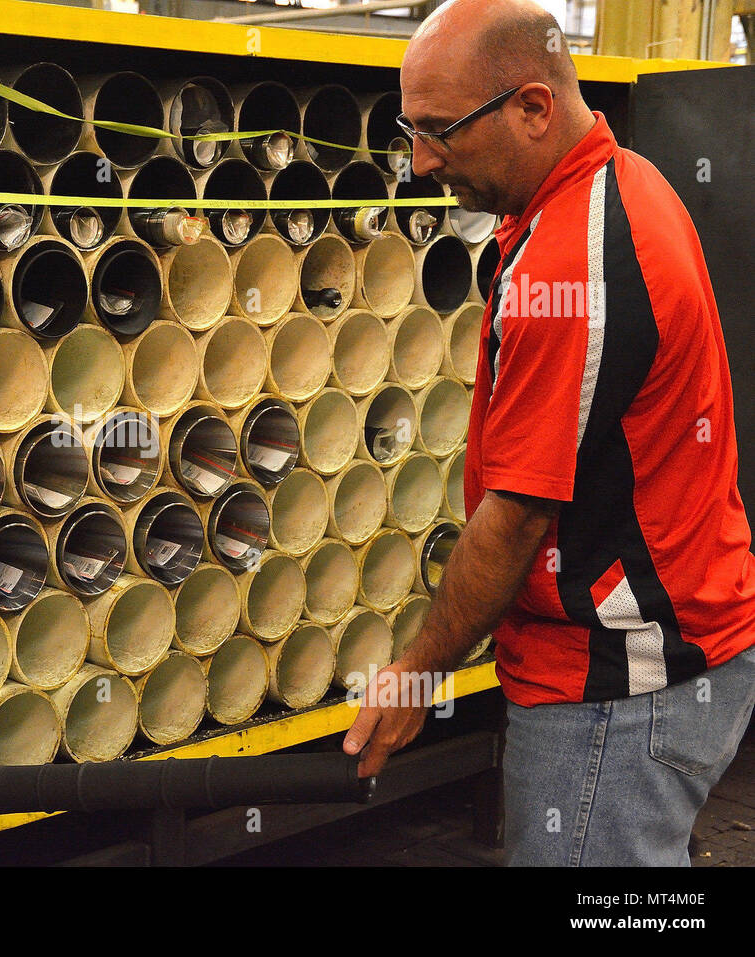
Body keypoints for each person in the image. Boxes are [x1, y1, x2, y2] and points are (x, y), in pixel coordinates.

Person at [342, 0, 755, 865]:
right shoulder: (616, 181)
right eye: (407, 129)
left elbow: (519, 515)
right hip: (666, 660)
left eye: (440, 131)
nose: (421, 161)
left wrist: (418, 670)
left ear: (533, 107)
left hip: (617, 690)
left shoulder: (577, 262)